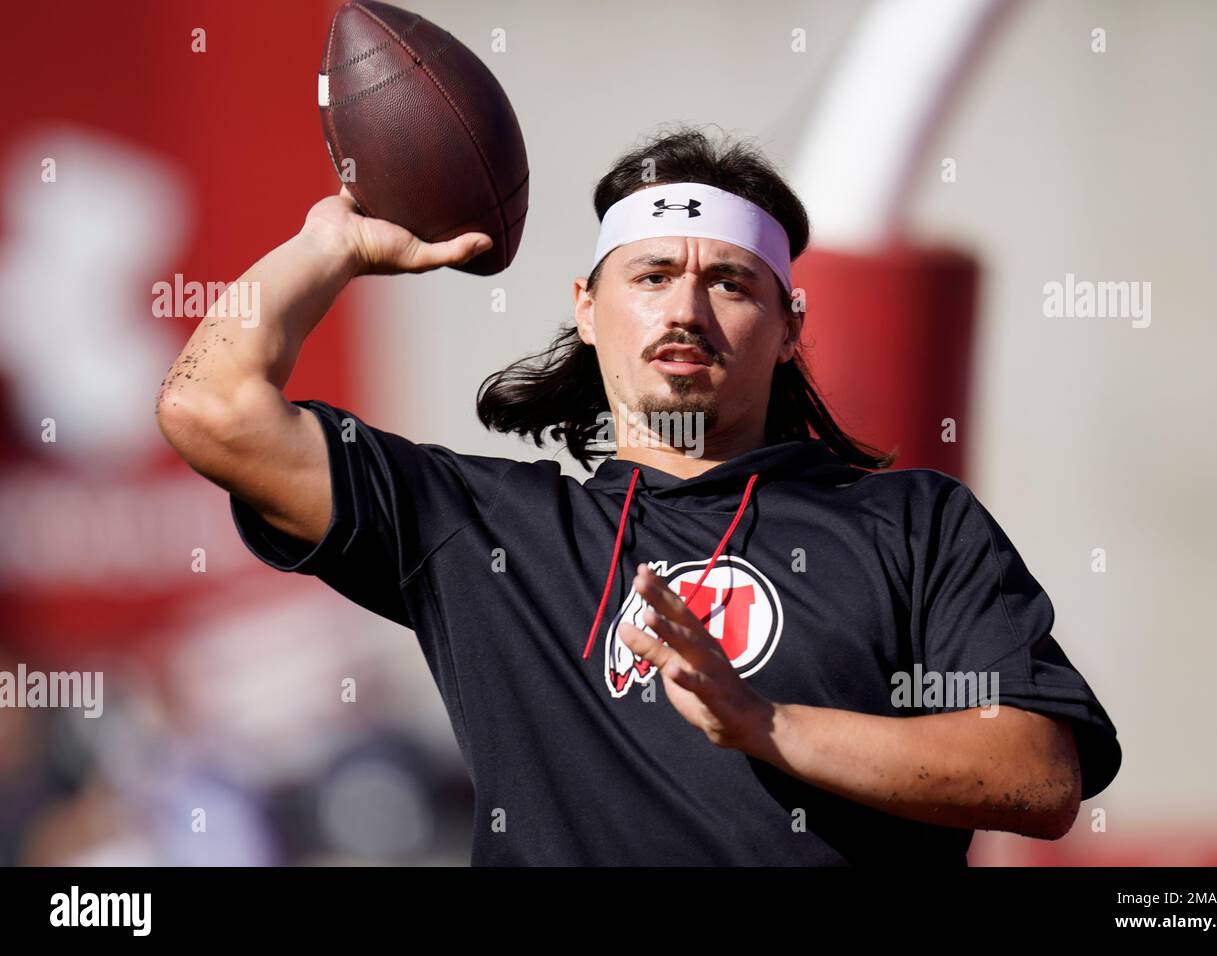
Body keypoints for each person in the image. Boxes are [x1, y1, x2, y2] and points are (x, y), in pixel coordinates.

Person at [156, 126, 1121, 865]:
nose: (686, 310)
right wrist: (330, 247)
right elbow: (209, 406)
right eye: (652, 275)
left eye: (732, 284)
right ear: (587, 306)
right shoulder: (487, 532)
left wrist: (766, 726)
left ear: (790, 327)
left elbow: (1036, 777)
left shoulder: (912, 522)